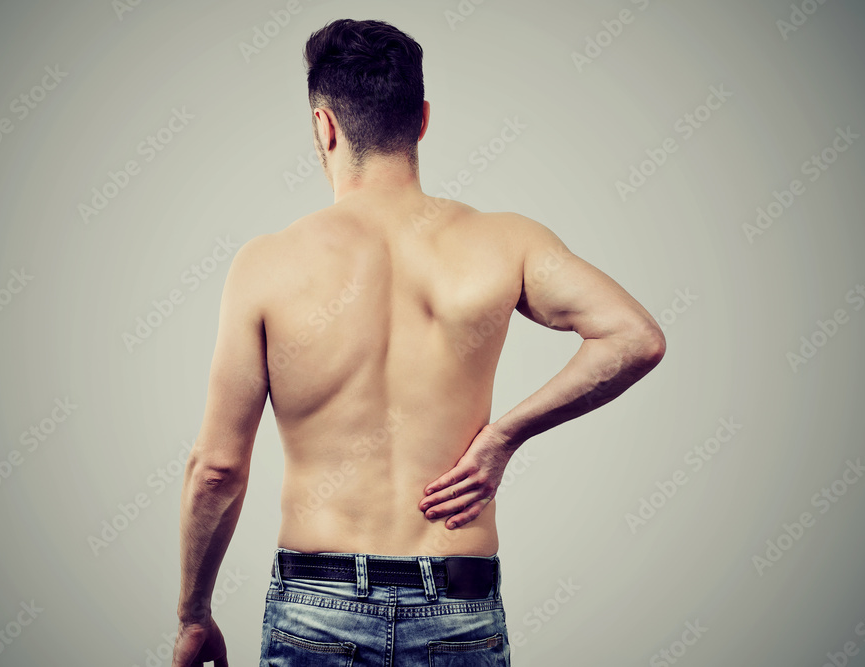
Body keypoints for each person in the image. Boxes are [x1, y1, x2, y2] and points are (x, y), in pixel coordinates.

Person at [171, 18, 665, 667]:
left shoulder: (265, 264)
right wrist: (502, 436)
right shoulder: (506, 241)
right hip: (458, 608)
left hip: (318, 608)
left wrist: (194, 612)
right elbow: (635, 336)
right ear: (422, 119)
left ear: (324, 126)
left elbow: (217, 470)